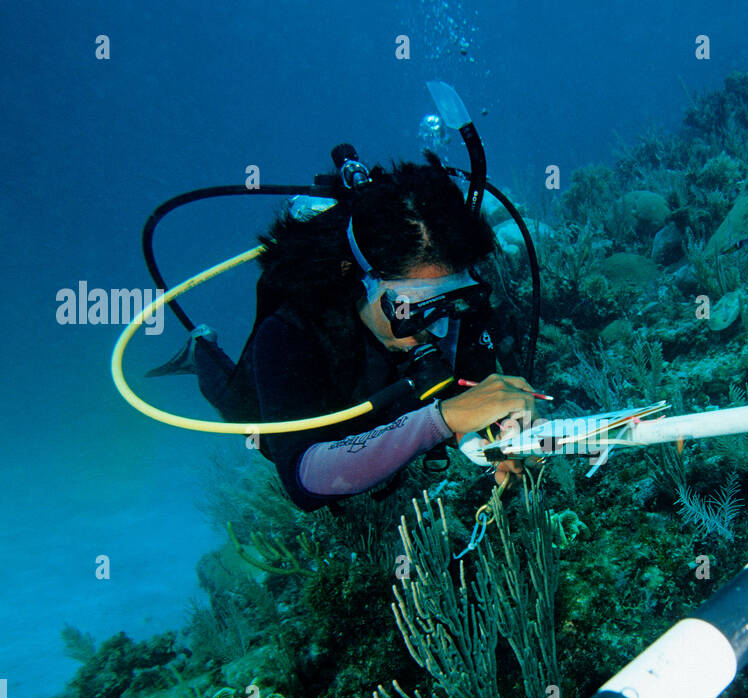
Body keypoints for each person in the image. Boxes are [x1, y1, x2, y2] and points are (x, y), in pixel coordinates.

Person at [225, 152, 534, 512]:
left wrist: (497, 433)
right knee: (234, 404)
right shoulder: (289, 333)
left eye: (450, 305)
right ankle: (200, 346)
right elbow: (304, 477)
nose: (438, 329)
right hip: (284, 413)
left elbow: (470, 390)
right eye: (415, 310)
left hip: (386, 408)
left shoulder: (456, 303)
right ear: (358, 280)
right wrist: (442, 420)